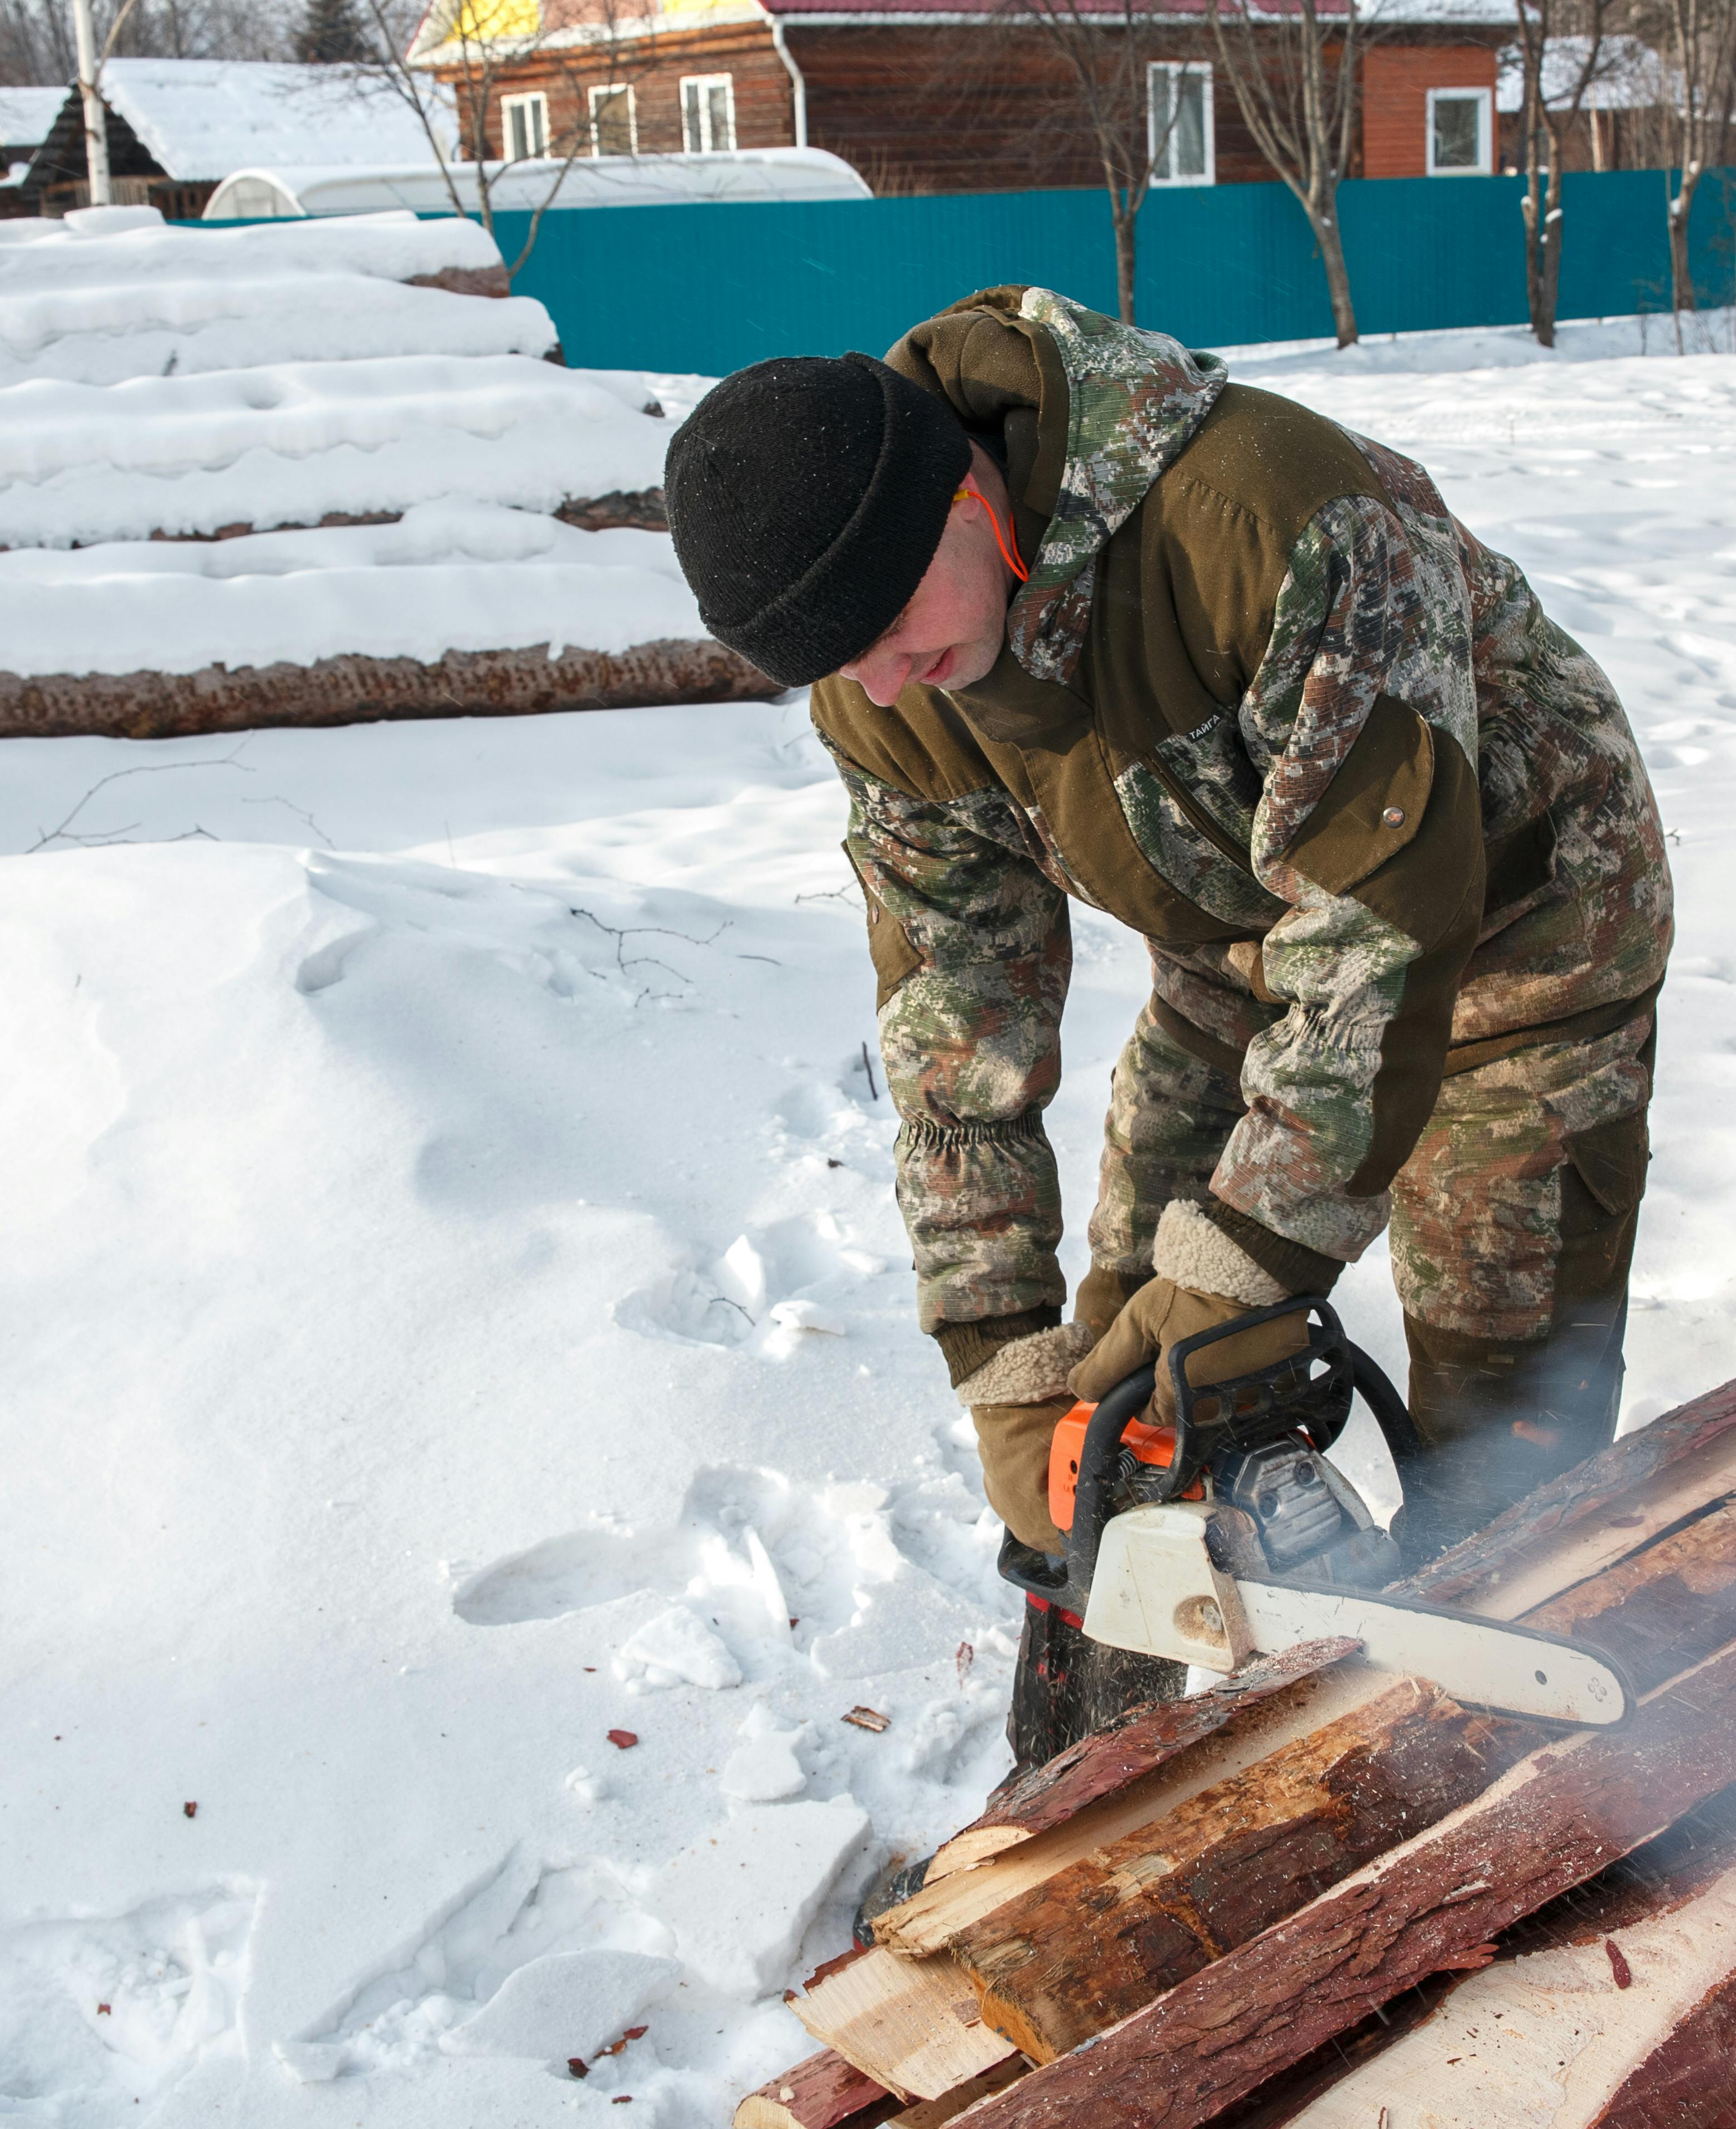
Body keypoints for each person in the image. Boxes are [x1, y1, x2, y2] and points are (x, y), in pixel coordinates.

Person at [663, 287, 1670, 1766]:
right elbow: (959, 1028)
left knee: (1498, 1408)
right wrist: (1002, 1356)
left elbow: (1382, 943)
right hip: (1241, 949)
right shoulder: (887, 694)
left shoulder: (1272, 518)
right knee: (1125, 1384)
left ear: (962, 493)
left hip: (1522, 941)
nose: (880, 681)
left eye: (887, 623)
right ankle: (1109, 1777)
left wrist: (1251, 1264)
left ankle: (1510, 1765)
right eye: (834, 662)